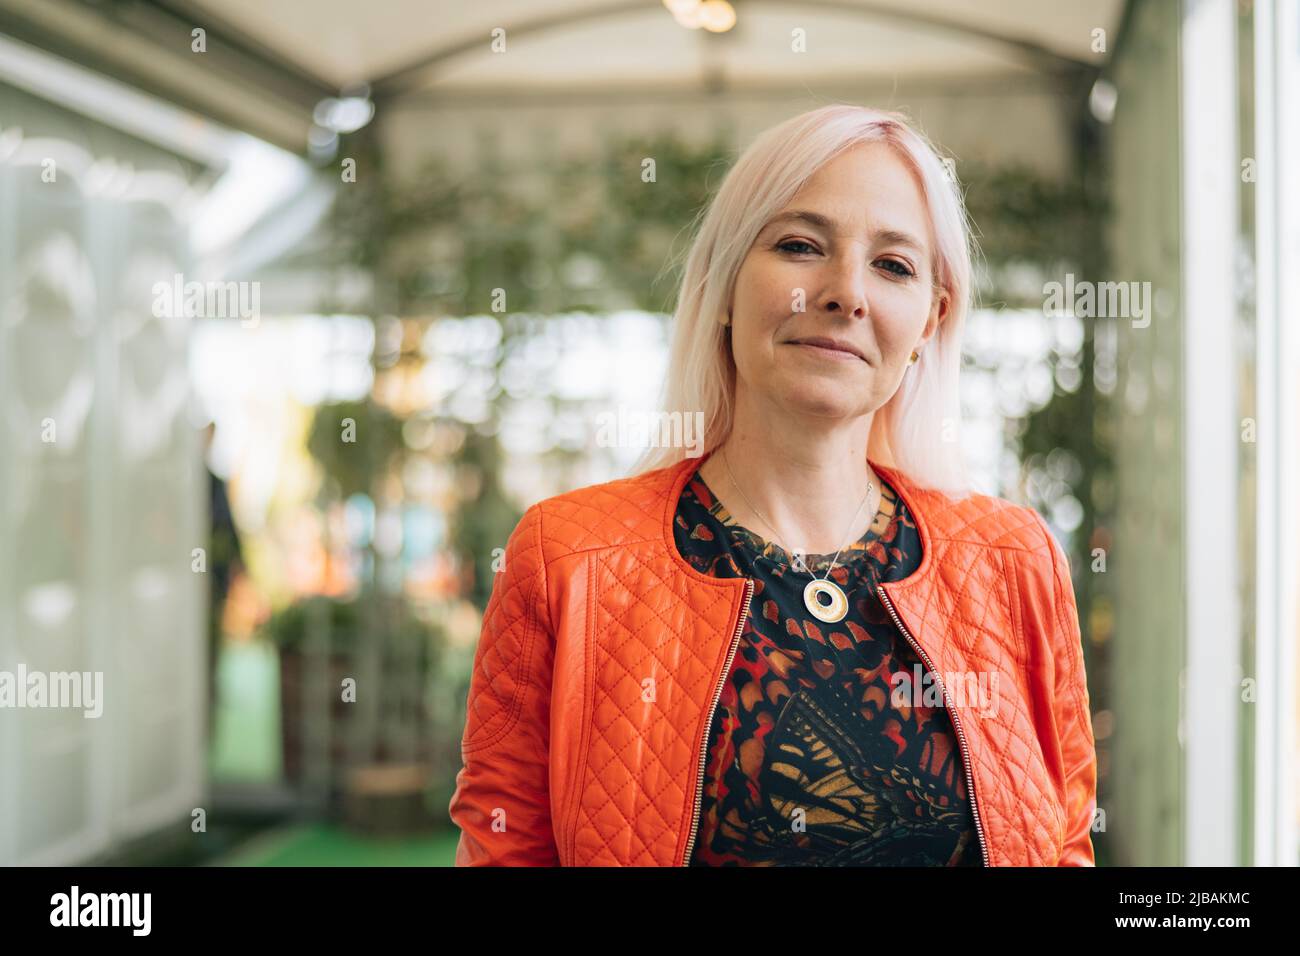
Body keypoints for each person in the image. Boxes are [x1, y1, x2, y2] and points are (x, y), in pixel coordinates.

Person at [447, 104, 1097, 866]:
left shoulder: (1014, 560)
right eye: (799, 245)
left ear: (930, 321)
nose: (845, 292)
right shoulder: (568, 556)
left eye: (893, 265)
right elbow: (504, 849)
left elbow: (1065, 845)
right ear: (723, 285)